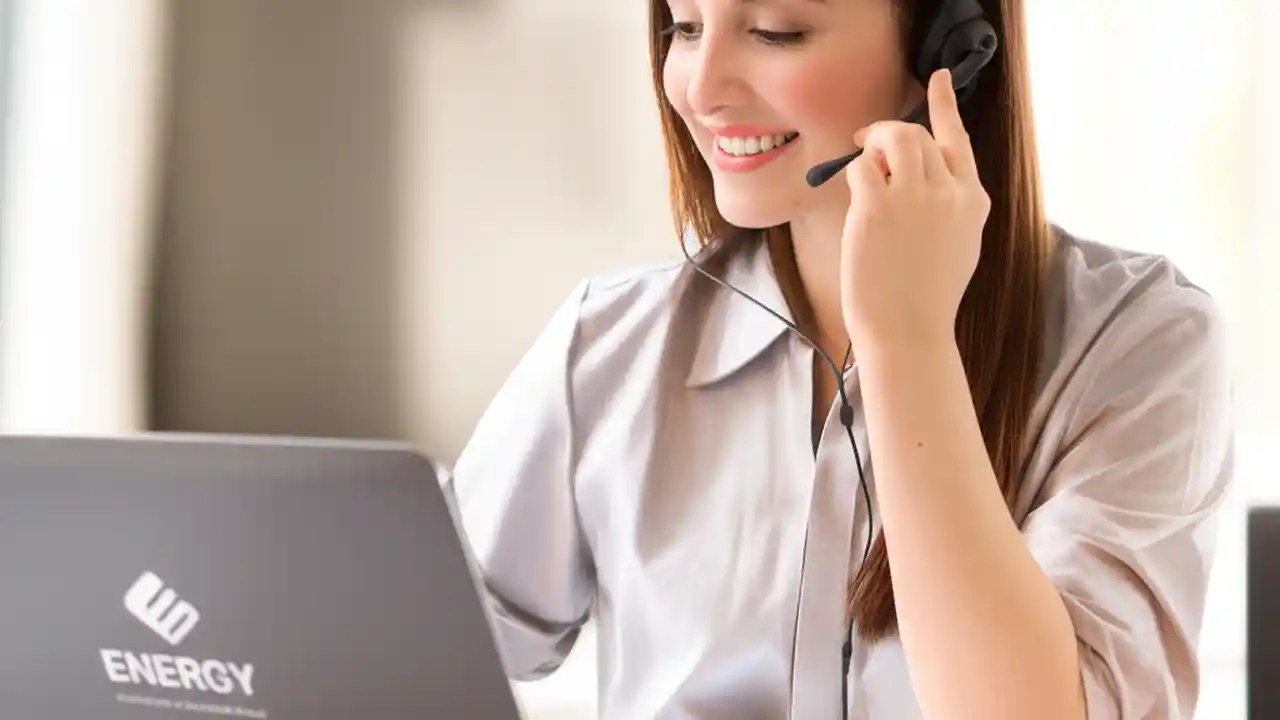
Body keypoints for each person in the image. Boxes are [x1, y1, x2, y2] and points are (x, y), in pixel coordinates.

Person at [444, 0, 1235, 718]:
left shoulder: (1137, 345)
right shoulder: (609, 344)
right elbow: (407, 641)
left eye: (775, 31)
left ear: (947, 50)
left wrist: (907, 344)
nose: (701, 87)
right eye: (685, 27)